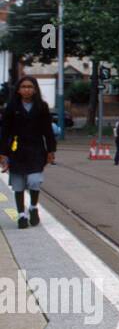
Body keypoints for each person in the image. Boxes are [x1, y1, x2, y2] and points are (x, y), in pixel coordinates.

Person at [0, 75, 58, 229]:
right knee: (18, 184)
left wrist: (51, 150)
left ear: (35, 89)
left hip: (36, 149)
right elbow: (4, 131)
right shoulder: (11, 107)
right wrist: (3, 153)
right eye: (24, 87)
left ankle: (33, 207)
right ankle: (21, 215)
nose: (27, 89)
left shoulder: (42, 107)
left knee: (34, 181)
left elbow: (48, 131)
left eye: (30, 87)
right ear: (18, 90)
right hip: (16, 150)